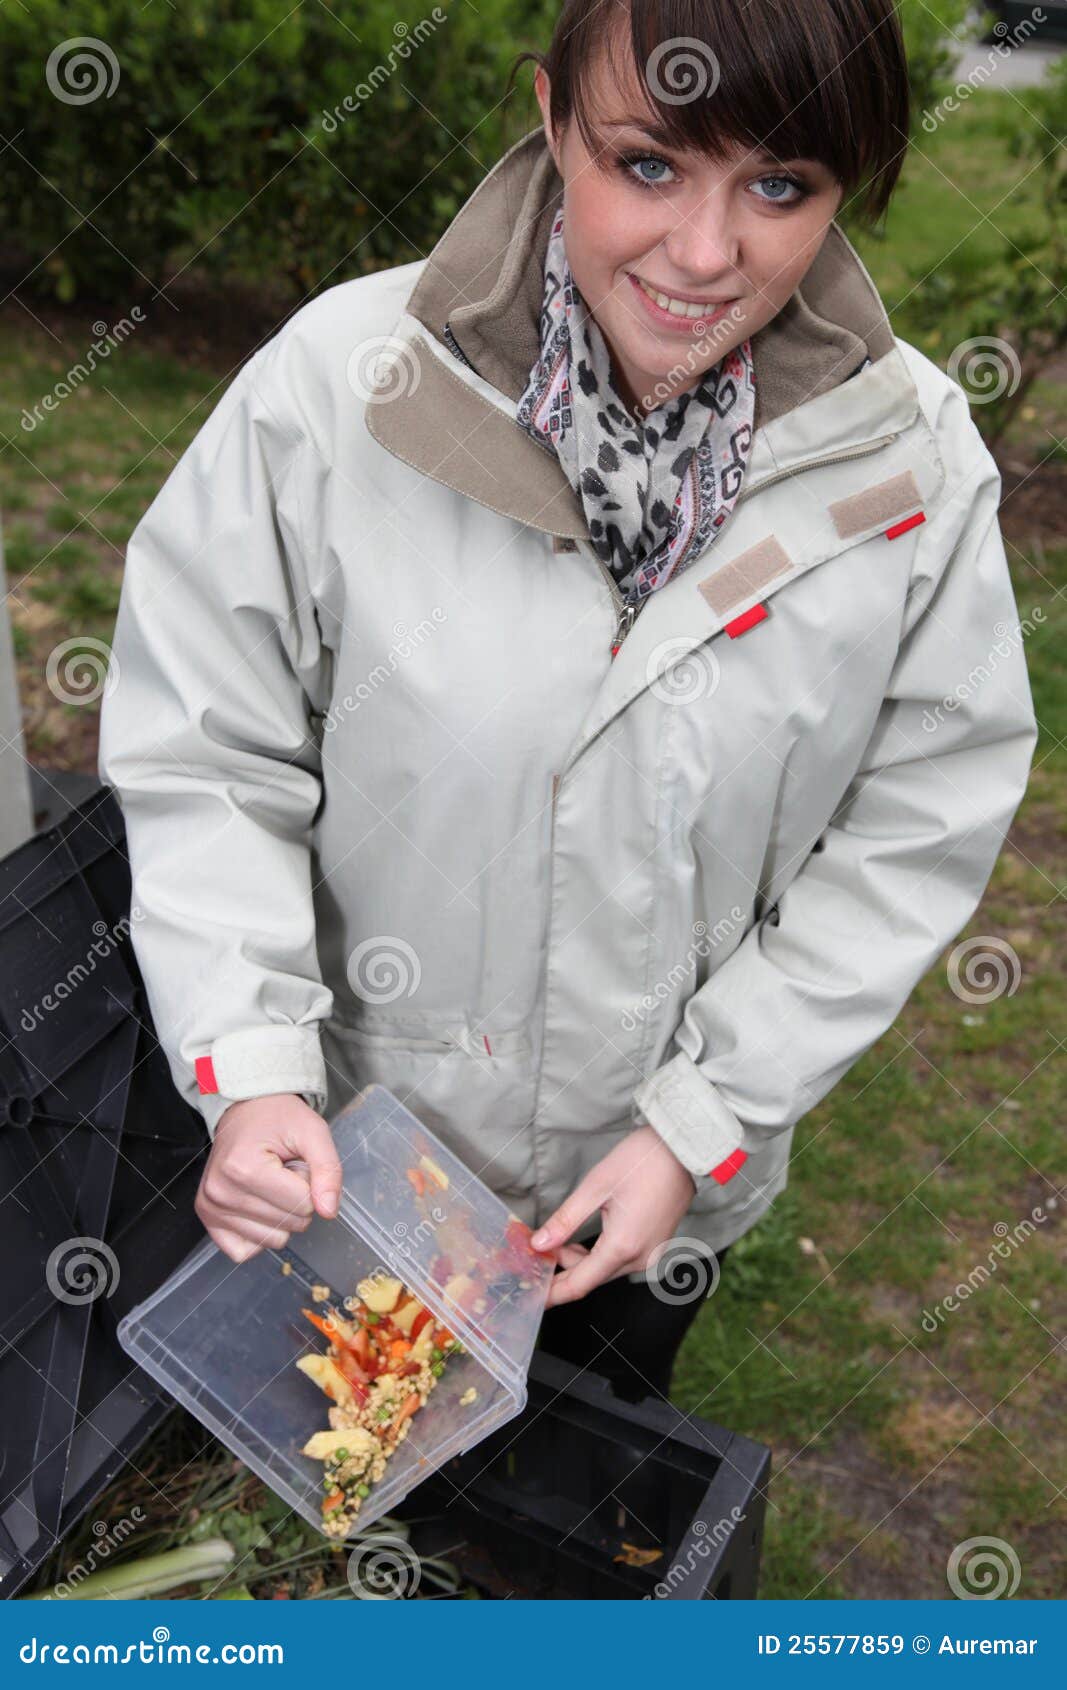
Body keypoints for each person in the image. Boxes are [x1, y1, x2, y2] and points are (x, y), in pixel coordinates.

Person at [97, 0, 1037, 1409]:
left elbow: (921, 816)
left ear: (850, 188)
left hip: (648, 1210)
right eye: (648, 165)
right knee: (327, 1509)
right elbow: (208, 745)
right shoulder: (341, 385)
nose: (706, 254)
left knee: (569, 1511)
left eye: (780, 186)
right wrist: (252, 1067)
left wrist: (696, 1129)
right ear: (551, 118)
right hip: (352, 1162)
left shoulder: (915, 467)